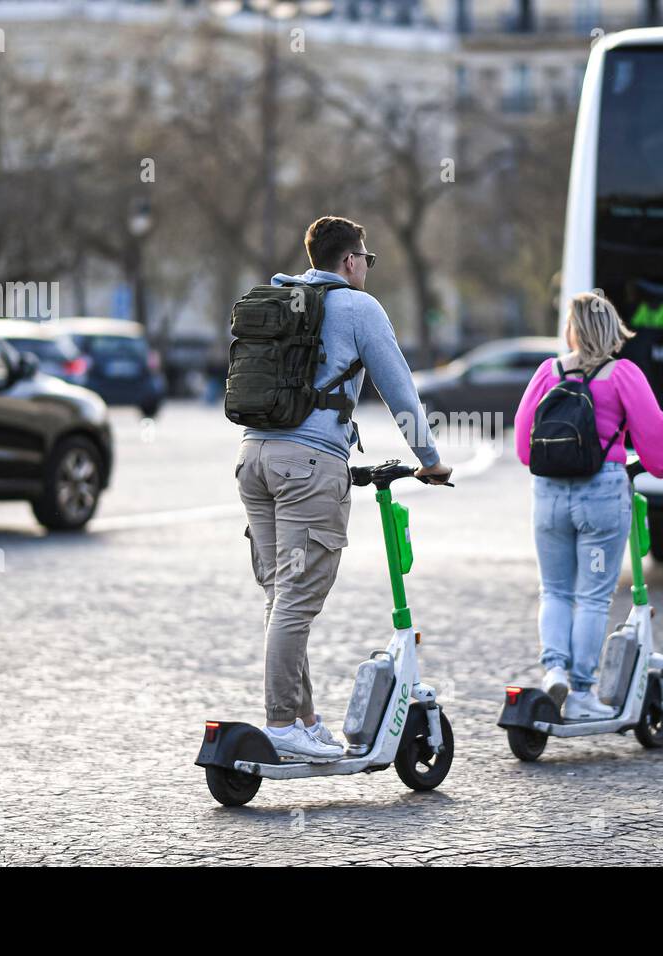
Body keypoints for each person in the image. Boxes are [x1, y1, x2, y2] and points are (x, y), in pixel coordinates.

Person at [237, 216, 453, 761]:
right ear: (351, 261)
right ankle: (282, 722)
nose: (367, 269)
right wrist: (429, 460)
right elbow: (398, 386)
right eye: (367, 260)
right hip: (309, 464)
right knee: (298, 596)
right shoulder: (359, 308)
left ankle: (305, 721)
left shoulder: (281, 297)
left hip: (253, 457)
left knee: (281, 593)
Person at [514, 291, 663, 719]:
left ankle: (554, 668)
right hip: (602, 495)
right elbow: (654, 431)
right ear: (612, 330)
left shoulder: (549, 372)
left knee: (554, 590)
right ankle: (580, 692)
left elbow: (524, 444)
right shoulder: (622, 374)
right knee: (593, 597)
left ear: (572, 331)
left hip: (550, 495)